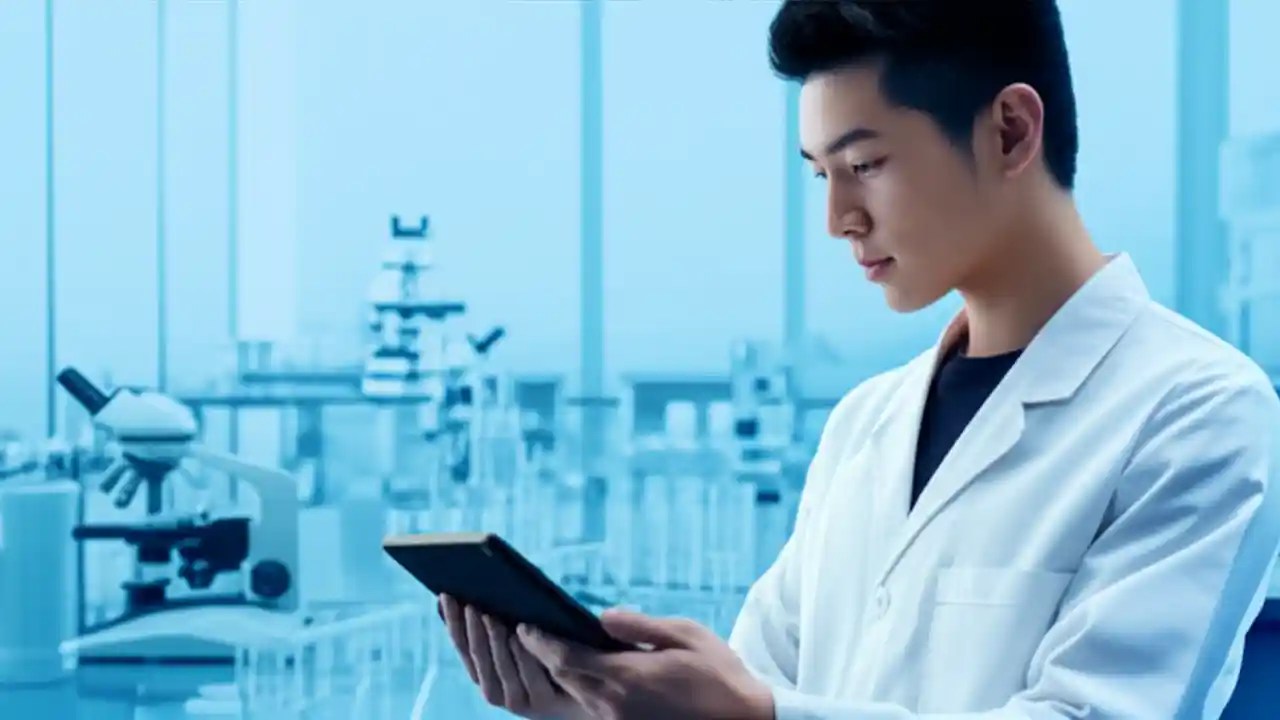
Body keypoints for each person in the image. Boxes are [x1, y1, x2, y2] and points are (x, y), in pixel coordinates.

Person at [439, 0, 1280, 717]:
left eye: (866, 165)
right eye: (820, 176)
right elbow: (757, 686)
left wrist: (757, 714)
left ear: (1011, 131)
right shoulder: (864, 425)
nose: (839, 218)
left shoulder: (1199, 410)